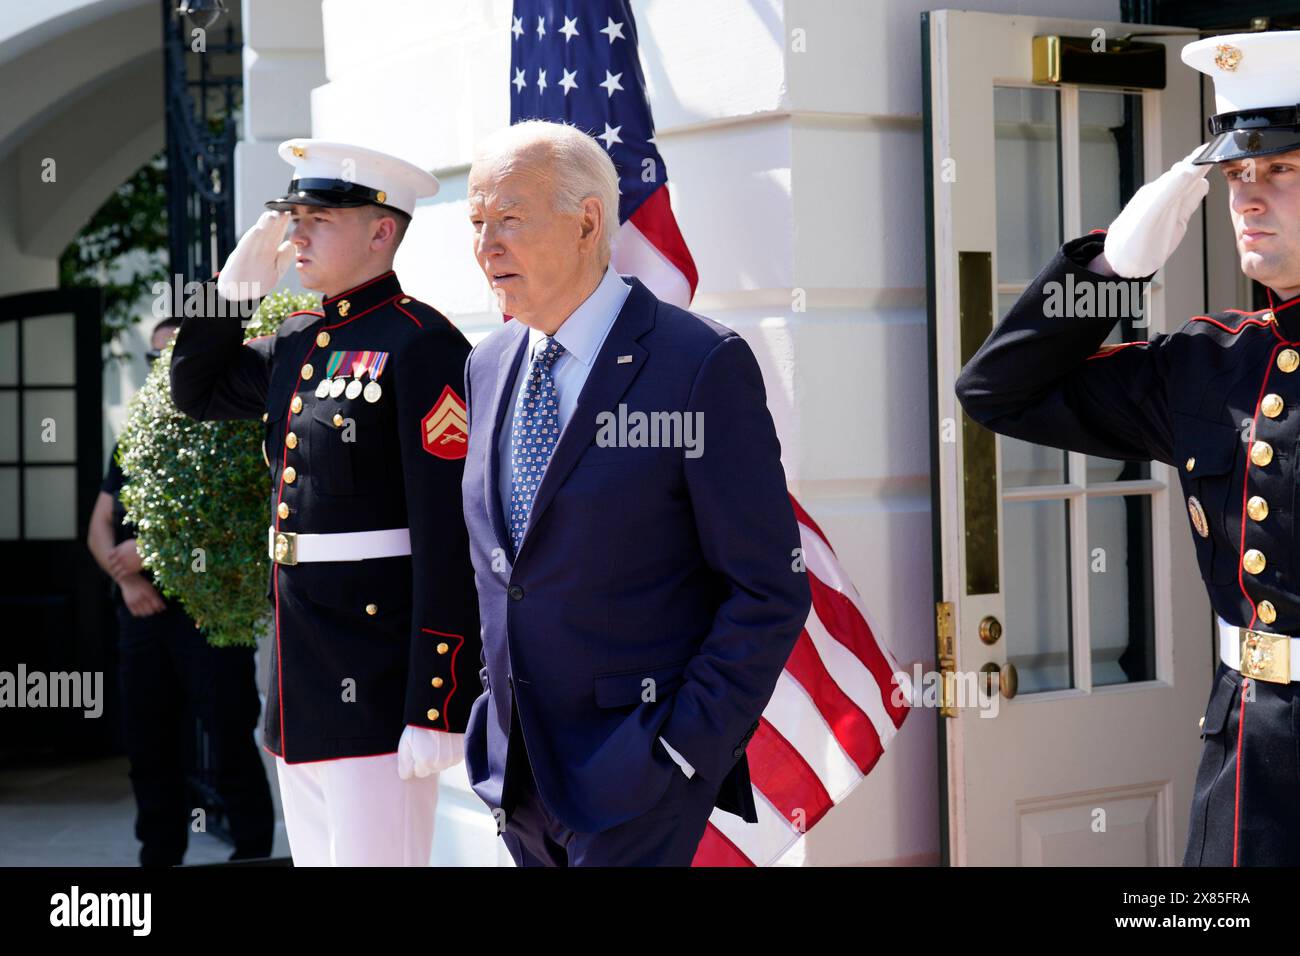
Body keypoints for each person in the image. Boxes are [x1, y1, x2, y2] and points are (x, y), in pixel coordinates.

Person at [955, 31, 1300, 866]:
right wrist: (1109, 268)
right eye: (1235, 176)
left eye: (1281, 171)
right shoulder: (1212, 363)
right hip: (1254, 743)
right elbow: (998, 390)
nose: (1248, 198)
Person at [459, 120, 812, 866]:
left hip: (636, 774)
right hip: (517, 775)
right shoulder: (487, 364)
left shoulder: (697, 364)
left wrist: (685, 752)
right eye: (477, 223)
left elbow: (768, 589)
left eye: (510, 219)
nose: (486, 246)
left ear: (588, 222)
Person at [168, 140, 480, 866]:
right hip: (300, 677)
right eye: (292, 217)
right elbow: (196, 391)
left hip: (376, 681)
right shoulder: (298, 341)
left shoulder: (422, 343)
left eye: (320, 218)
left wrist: (437, 698)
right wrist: (230, 293)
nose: (296, 234)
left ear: (381, 230)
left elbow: (446, 530)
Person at [87, 317, 274, 867]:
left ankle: (252, 854)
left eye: (178, 357)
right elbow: (98, 524)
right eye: (159, 360)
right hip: (141, 616)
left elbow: (244, 521)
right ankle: (159, 857)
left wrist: (154, 552)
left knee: (229, 738)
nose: (168, 371)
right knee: (148, 744)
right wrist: (126, 578)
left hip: (211, 611)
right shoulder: (135, 438)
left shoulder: (235, 425)